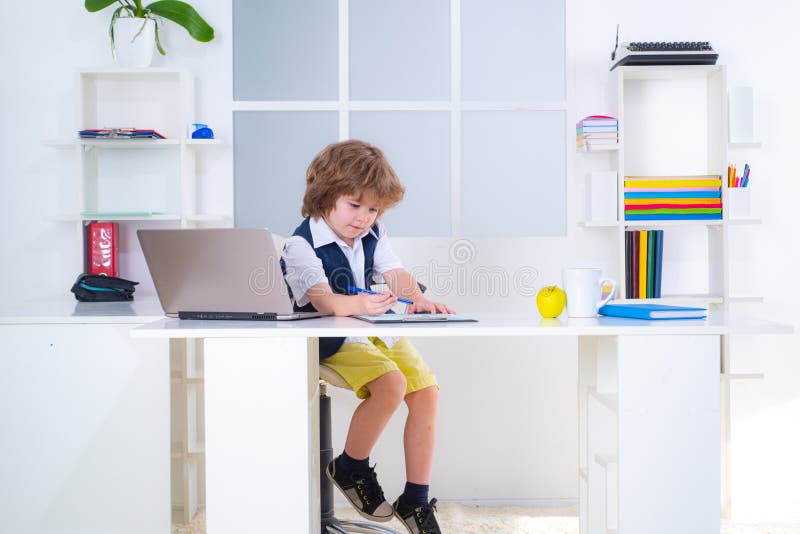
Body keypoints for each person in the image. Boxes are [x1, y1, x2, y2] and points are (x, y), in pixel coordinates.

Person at [281, 140, 452, 533]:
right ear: (325, 196)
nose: (364, 218)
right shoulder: (301, 244)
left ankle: (415, 499)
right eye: (354, 206)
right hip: (330, 339)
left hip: (374, 331)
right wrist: (361, 306)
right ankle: (351, 466)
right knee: (391, 384)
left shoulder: (373, 233)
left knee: (426, 392)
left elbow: (394, 272)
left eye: (373, 209)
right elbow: (325, 303)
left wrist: (419, 299)